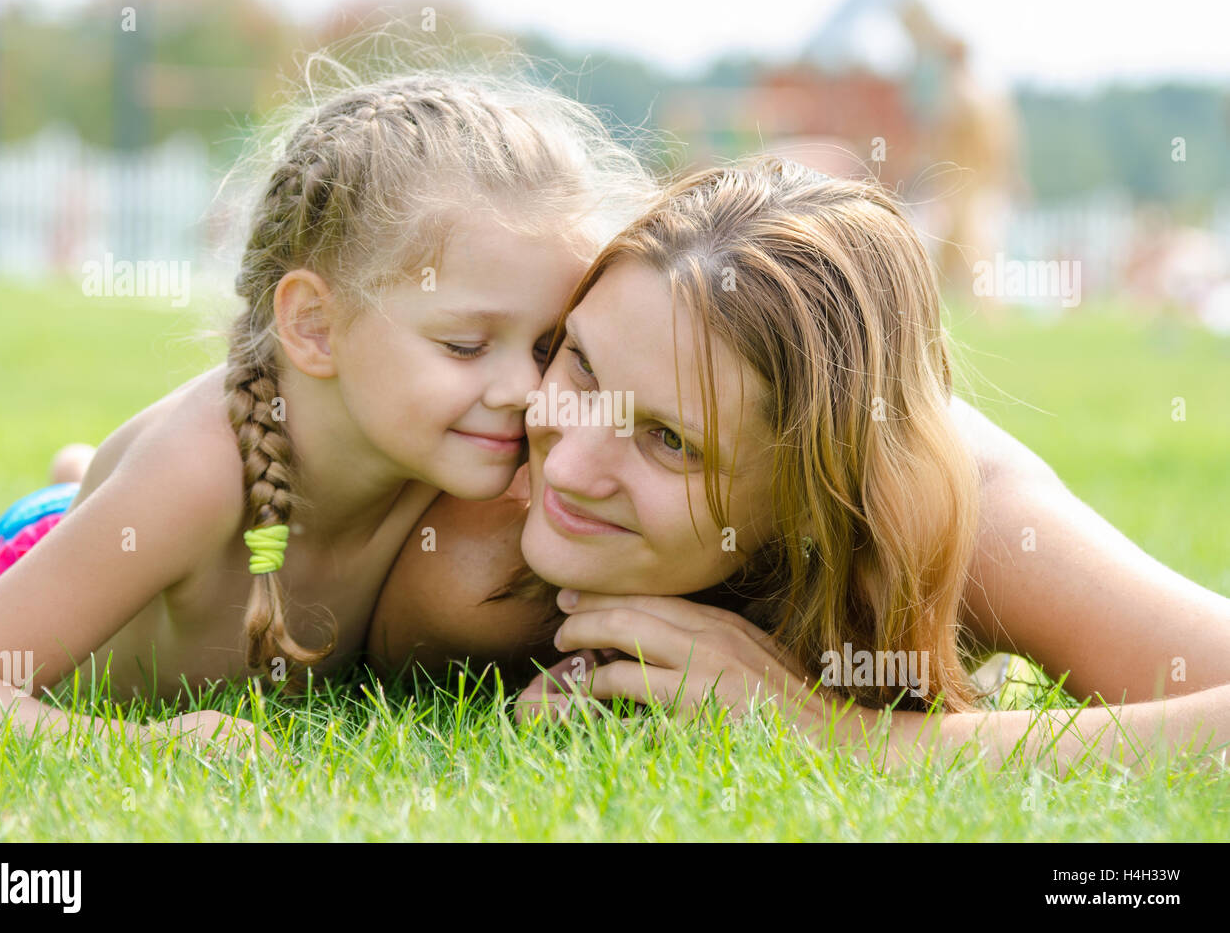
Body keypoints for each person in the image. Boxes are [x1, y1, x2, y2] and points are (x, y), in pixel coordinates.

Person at [367, 158, 1230, 771]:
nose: (569, 463)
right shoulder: (477, 511)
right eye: (581, 361)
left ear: (807, 494)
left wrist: (839, 735)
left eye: (671, 439)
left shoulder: (939, 503)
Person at [0, 56, 655, 753]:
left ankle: (80, 473)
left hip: (143, 520)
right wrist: (147, 742)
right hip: (30, 554)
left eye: (544, 347)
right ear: (312, 324)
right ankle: (74, 489)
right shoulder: (198, 473)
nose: (526, 392)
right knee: (102, 508)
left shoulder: (449, 454)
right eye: (465, 346)